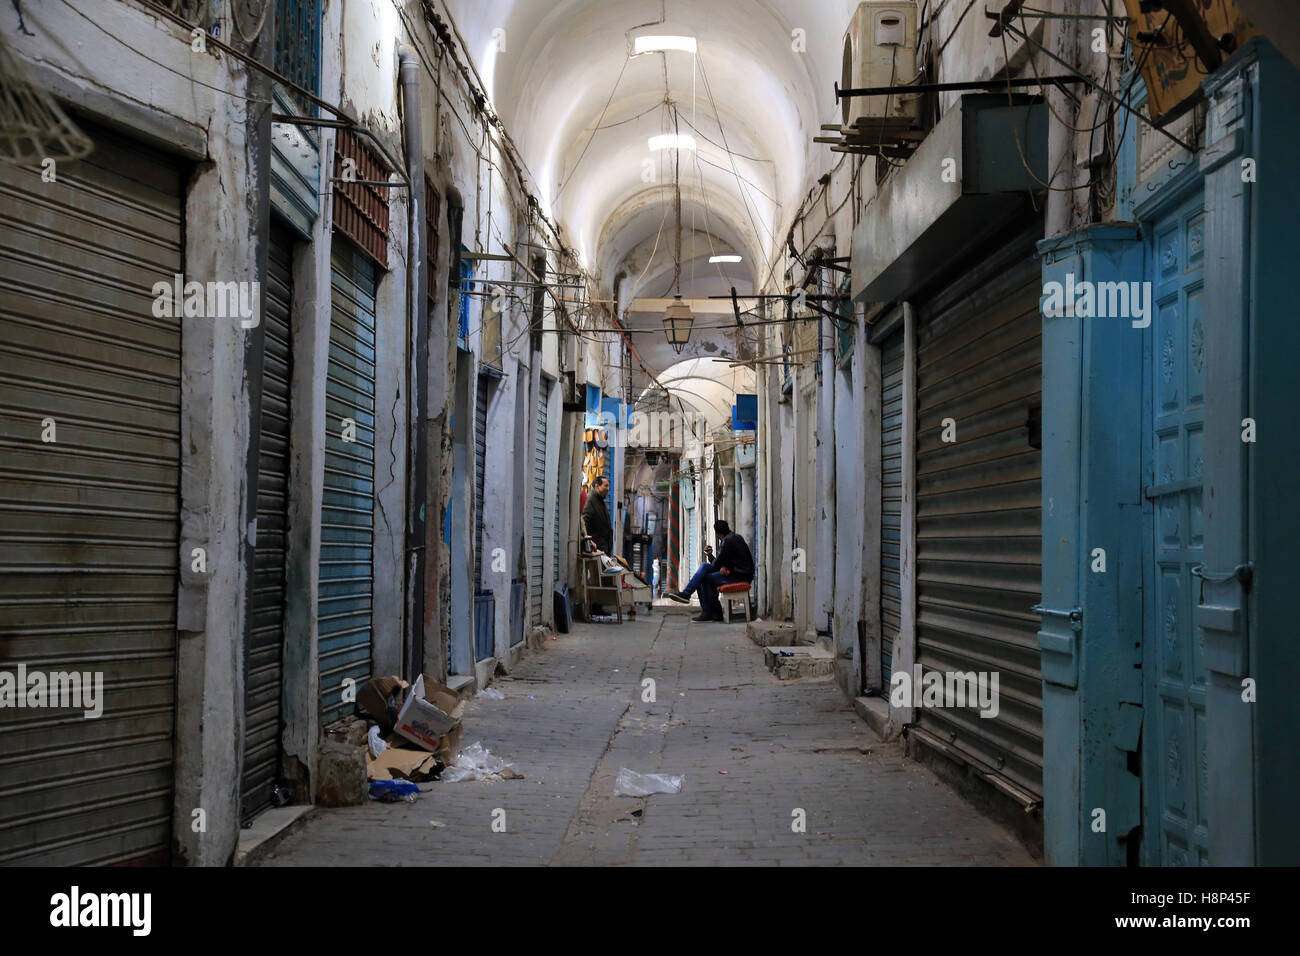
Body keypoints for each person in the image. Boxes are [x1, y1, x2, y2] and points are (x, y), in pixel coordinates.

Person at [666, 519, 754, 622]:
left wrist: (715, 561)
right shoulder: (735, 537)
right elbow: (722, 562)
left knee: (704, 575)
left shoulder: (728, 541)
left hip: (739, 576)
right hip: (741, 574)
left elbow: (716, 565)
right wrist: (712, 557)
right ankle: (713, 612)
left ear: (716, 532)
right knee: (704, 572)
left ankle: (704, 610)